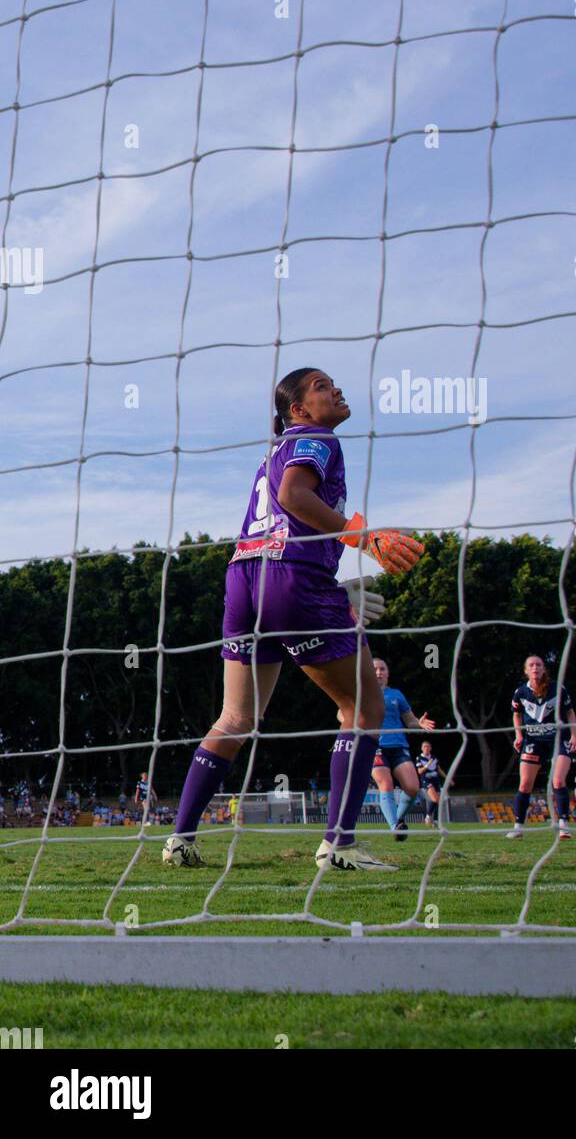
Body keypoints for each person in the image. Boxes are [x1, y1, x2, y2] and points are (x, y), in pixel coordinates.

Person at [162, 367, 424, 872]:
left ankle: (181, 839)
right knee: (362, 708)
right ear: (298, 410)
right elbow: (294, 497)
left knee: (235, 718)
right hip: (291, 577)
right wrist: (364, 538)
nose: (338, 390)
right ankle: (340, 845)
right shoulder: (318, 439)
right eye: (324, 386)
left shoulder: (274, 452)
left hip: (243, 578)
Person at [505, 655, 576, 841]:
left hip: (557, 740)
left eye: (538, 664)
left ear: (544, 669)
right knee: (524, 784)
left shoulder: (557, 688)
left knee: (558, 781)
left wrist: (575, 736)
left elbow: (570, 712)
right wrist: (519, 735)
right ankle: (518, 827)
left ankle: (563, 826)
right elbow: (516, 714)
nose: (535, 667)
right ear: (526, 671)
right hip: (533, 742)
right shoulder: (520, 692)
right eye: (531, 665)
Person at [368, 659, 435, 840]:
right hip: (375, 747)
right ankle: (395, 827)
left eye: (382, 669)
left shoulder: (396, 694)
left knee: (412, 788)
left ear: (388, 673)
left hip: (399, 747)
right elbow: (342, 712)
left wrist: (419, 724)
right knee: (386, 784)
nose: (379, 673)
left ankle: (397, 819)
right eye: (374, 669)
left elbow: (410, 721)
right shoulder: (362, 692)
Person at [415, 739, 443, 825]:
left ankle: (435, 820)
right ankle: (428, 817)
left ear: (430, 748)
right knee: (434, 799)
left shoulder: (434, 757)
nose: (426, 748)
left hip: (436, 780)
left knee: (438, 800)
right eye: (424, 747)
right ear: (422, 748)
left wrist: (448, 777)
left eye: (428, 747)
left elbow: (439, 769)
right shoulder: (419, 758)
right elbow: (420, 771)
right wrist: (427, 764)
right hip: (426, 780)